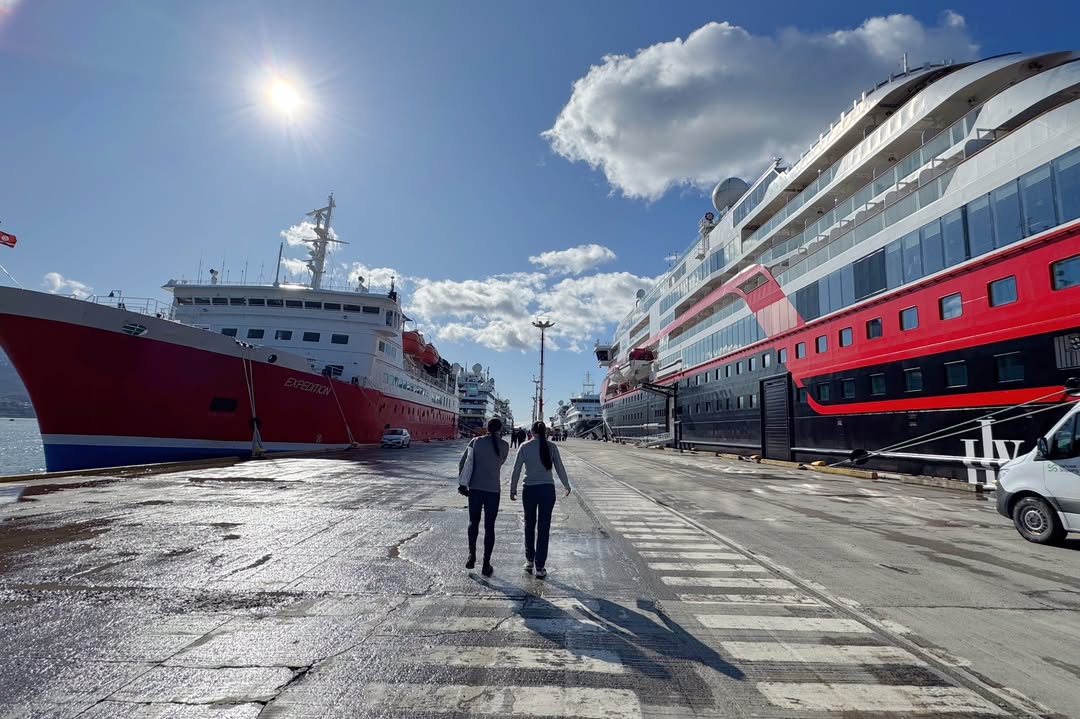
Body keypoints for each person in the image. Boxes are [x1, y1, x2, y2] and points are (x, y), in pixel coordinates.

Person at [510, 421, 571, 579]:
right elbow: (559, 467)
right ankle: (540, 567)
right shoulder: (551, 447)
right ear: (546, 432)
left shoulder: (524, 446)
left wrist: (513, 489)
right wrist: (566, 485)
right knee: (544, 528)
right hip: (547, 491)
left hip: (529, 489)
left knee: (529, 525)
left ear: (531, 431)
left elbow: (517, 469)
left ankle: (530, 560)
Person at [458, 417, 509, 577]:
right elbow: (500, 462)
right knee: (490, 527)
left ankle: (471, 555)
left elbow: (463, 462)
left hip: (475, 488)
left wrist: (462, 484)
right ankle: (486, 564)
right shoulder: (504, 445)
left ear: (487, 427)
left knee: (473, 522)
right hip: (493, 490)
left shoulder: (475, 441)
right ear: (500, 429)